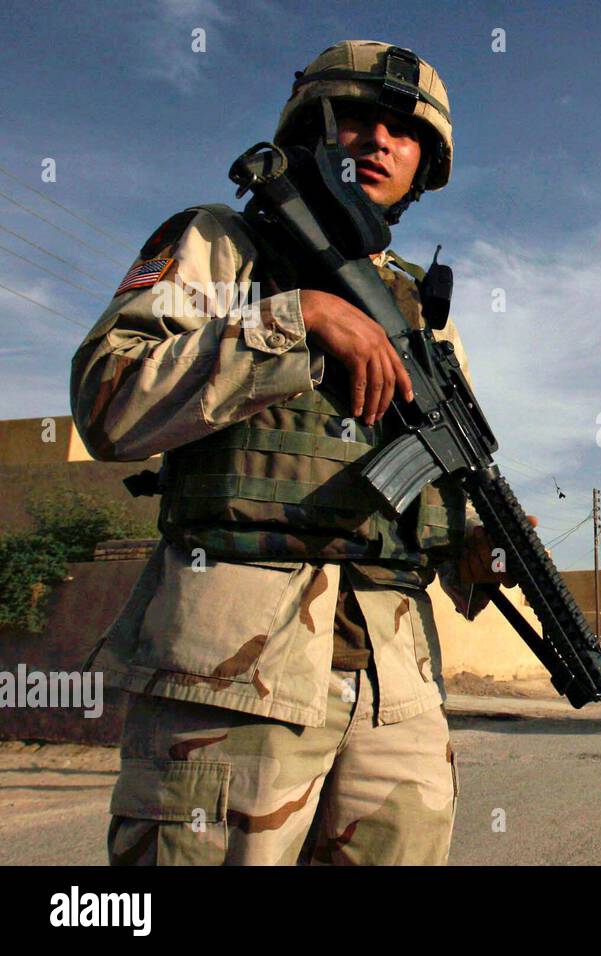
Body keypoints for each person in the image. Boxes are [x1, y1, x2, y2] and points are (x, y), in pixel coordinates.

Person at [71, 40, 512, 865]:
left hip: (395, 686)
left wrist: (476, 539)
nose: (382, 142)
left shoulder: (424, 311)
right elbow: (109, 399)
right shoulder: (223, 244)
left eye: (406, 134)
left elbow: (436, 486)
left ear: (426, 165)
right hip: (235, 670)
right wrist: (294, 318)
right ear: (312, 128)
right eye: (361, 121)